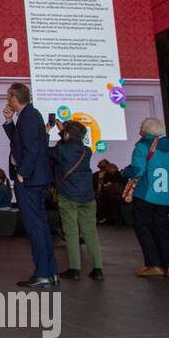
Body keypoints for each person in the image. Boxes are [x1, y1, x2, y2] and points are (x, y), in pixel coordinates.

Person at [2, 83, 57, 288]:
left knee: (35, 227)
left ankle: (43, 273)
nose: (7, 100)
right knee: (40, 226)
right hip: (39, 179)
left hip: (30, 181)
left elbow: (32, 149)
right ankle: (50, 272)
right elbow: (21, 142)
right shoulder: (30, 116)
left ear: (14, 97)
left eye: (8, 97)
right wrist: (9, 122)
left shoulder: (29, 117)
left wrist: (23, 173)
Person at [121, 118, 169, 278]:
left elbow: (138, 170)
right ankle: (167, 266)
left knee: (143, 228)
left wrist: (124, 172)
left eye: (141, 125)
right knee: (162, 230)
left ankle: (153, 264)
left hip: (146, 194)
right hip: (165, 196)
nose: (139, 127)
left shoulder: (142, 146)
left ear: (147, 130)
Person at [50, 120, 102, 281]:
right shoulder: (87, 151)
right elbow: (70, 145)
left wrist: (56, 134)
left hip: (68, 196)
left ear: (67, 134)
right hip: (88, 196)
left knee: (71, 232)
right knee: (91, 233)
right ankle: (97, 270)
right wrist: (64, 132)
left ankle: (74, 269)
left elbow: (50, 152)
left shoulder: (61, 150)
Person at [93, 160, 126, 225]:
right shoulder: (97, 175)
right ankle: (109, 218)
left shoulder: (115, 175)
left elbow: (116, 185)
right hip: (109, 193)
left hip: (114, 194)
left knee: (110, 202)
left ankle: (110, 218)